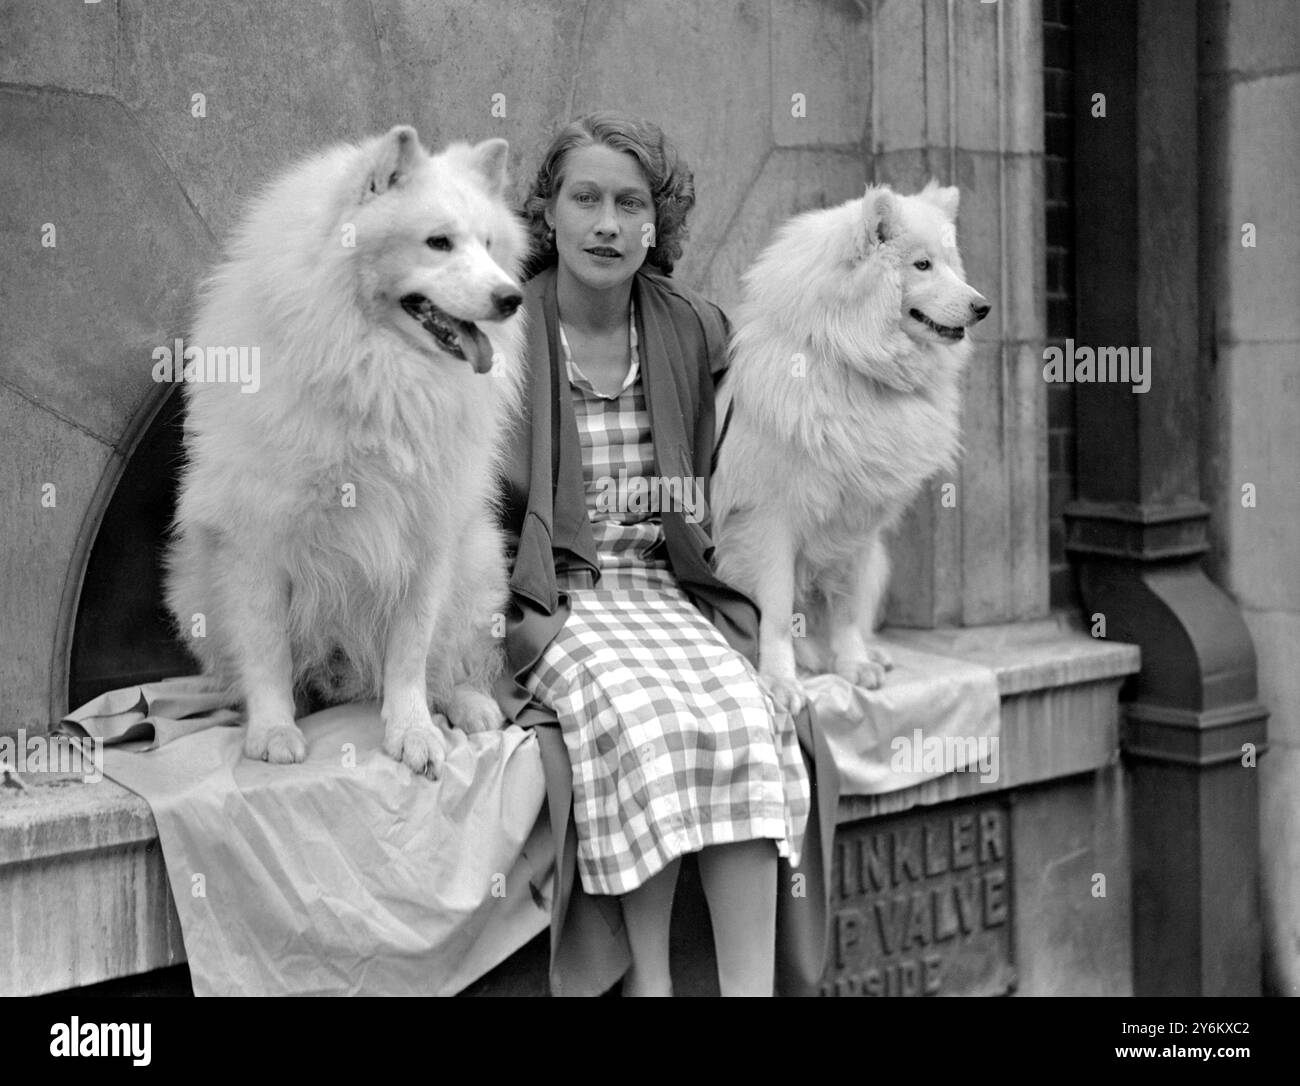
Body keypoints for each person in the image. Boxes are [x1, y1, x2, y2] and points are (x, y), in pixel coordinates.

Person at [493, 112, 812, 997]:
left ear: (654, 226)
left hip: (668, 588)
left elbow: (765, 428)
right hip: (563, 594)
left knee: (748, 720)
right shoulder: (509, 328)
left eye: (630, 204)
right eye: (584, 198)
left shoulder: (687, 327)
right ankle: (654, 985)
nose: (606, 223)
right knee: (641, 721)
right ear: (547, 214)